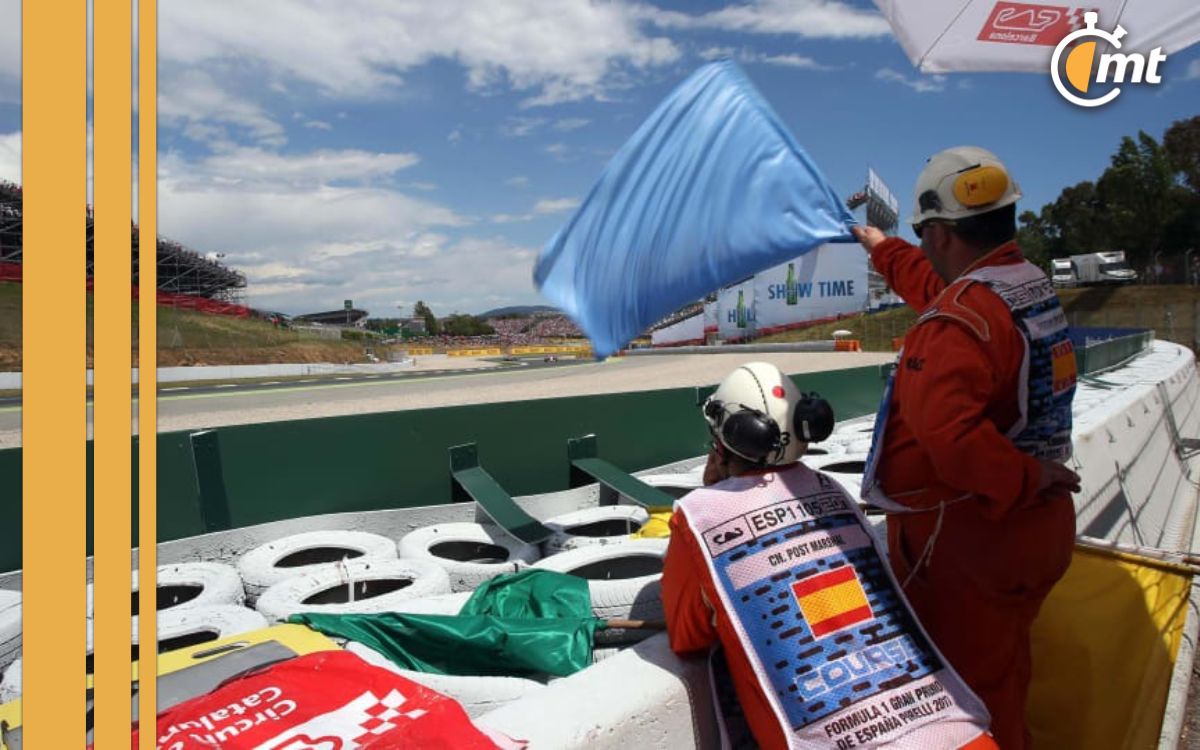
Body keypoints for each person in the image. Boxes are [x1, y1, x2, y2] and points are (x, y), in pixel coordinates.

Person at [851, 146, 1081, 750]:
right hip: (1030, 531)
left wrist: (1027, 478)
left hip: (971, 541)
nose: (923, 245)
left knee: (966, 701)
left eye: (922, 235)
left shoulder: (954, 323)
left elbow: (952, 442)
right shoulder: (1022, 285)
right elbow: (939, 286)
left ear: (942, 234)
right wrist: (882, 246)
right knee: (1004, 675)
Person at [661, 362, 998, 750]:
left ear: (723, 442)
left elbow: (687, 638)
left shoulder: (700, 517)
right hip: (966, 735)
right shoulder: (834, 492)